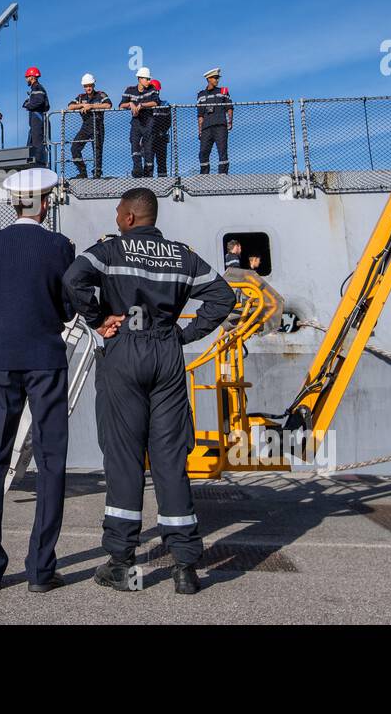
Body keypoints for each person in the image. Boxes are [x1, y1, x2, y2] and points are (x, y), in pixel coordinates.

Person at [63, 187, 237, 594]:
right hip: (166, 351)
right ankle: (185, 568)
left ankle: (122, 563)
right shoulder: (182, 256)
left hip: (125, 350)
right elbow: (223, 296)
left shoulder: (109, 251)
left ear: (127, 218)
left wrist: (98, 317)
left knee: (124, 456)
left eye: (118, 212)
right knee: (170, 458)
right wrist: (185, 333)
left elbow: (73, 278)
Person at [0, 168, 75, 593]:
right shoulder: (60, 247)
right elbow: (68, 308)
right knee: (51, 462)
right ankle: (40, 570)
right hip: (46, 363)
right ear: (44, 203)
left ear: (15, 202)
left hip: (1, 364)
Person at [67, 73, 111, 178]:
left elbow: (108, 105)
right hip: (85, 126)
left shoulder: (101, 94)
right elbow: (70, 106)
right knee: (75, 148)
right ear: (83, 87)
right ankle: (82, 171)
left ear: (94, 85)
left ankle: (97, 173)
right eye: (86, 86)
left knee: (97, 150)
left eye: (90, 85)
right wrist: (82, 105)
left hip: (98, 125)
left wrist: (91, 106)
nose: (88, 88)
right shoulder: (80, 97)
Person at [119, 67, 159, 178]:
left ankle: (148, 173)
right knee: (135, 145)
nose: (149, 81)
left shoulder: (152, 89)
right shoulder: (130, 90)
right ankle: (137, 171)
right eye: (146, 79)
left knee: (148, 147)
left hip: (148, 122)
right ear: (140, 79)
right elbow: (121, 105)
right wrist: (130, 104)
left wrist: (142, 105)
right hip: (136, 122)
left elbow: (156, 102)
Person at [196, 68, 232, 174]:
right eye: (215, 78)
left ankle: (223, 174)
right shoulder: (201, 94)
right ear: (208, 79)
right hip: (206, 127)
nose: (217, 80)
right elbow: (200, 115)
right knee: (203, 152)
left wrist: (230, 121)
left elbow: (229, 107)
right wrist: (200, 130)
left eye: (217, 78)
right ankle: (204, 174)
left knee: (222, 150)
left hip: (220, 125)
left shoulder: (223, 91)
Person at [23, 66, 49, 167]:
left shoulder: (37, 87)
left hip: (37, 119)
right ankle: (32, 165)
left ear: (32, 77)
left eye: (27, 77)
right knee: (31, 143)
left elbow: (39, 101)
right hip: (35, 120)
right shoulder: (36, 88)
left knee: (37, 144)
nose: (26, 79)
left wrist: (27, 105)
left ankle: (39, 165)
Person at [149, 78, 171, 177]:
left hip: (161, 137)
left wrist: (162, 131)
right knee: (148, 162)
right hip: (148, 137)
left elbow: (168, 122)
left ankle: (163, 182)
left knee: (162, 162)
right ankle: (147, 181)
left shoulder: (165, 105)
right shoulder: (145, 106)